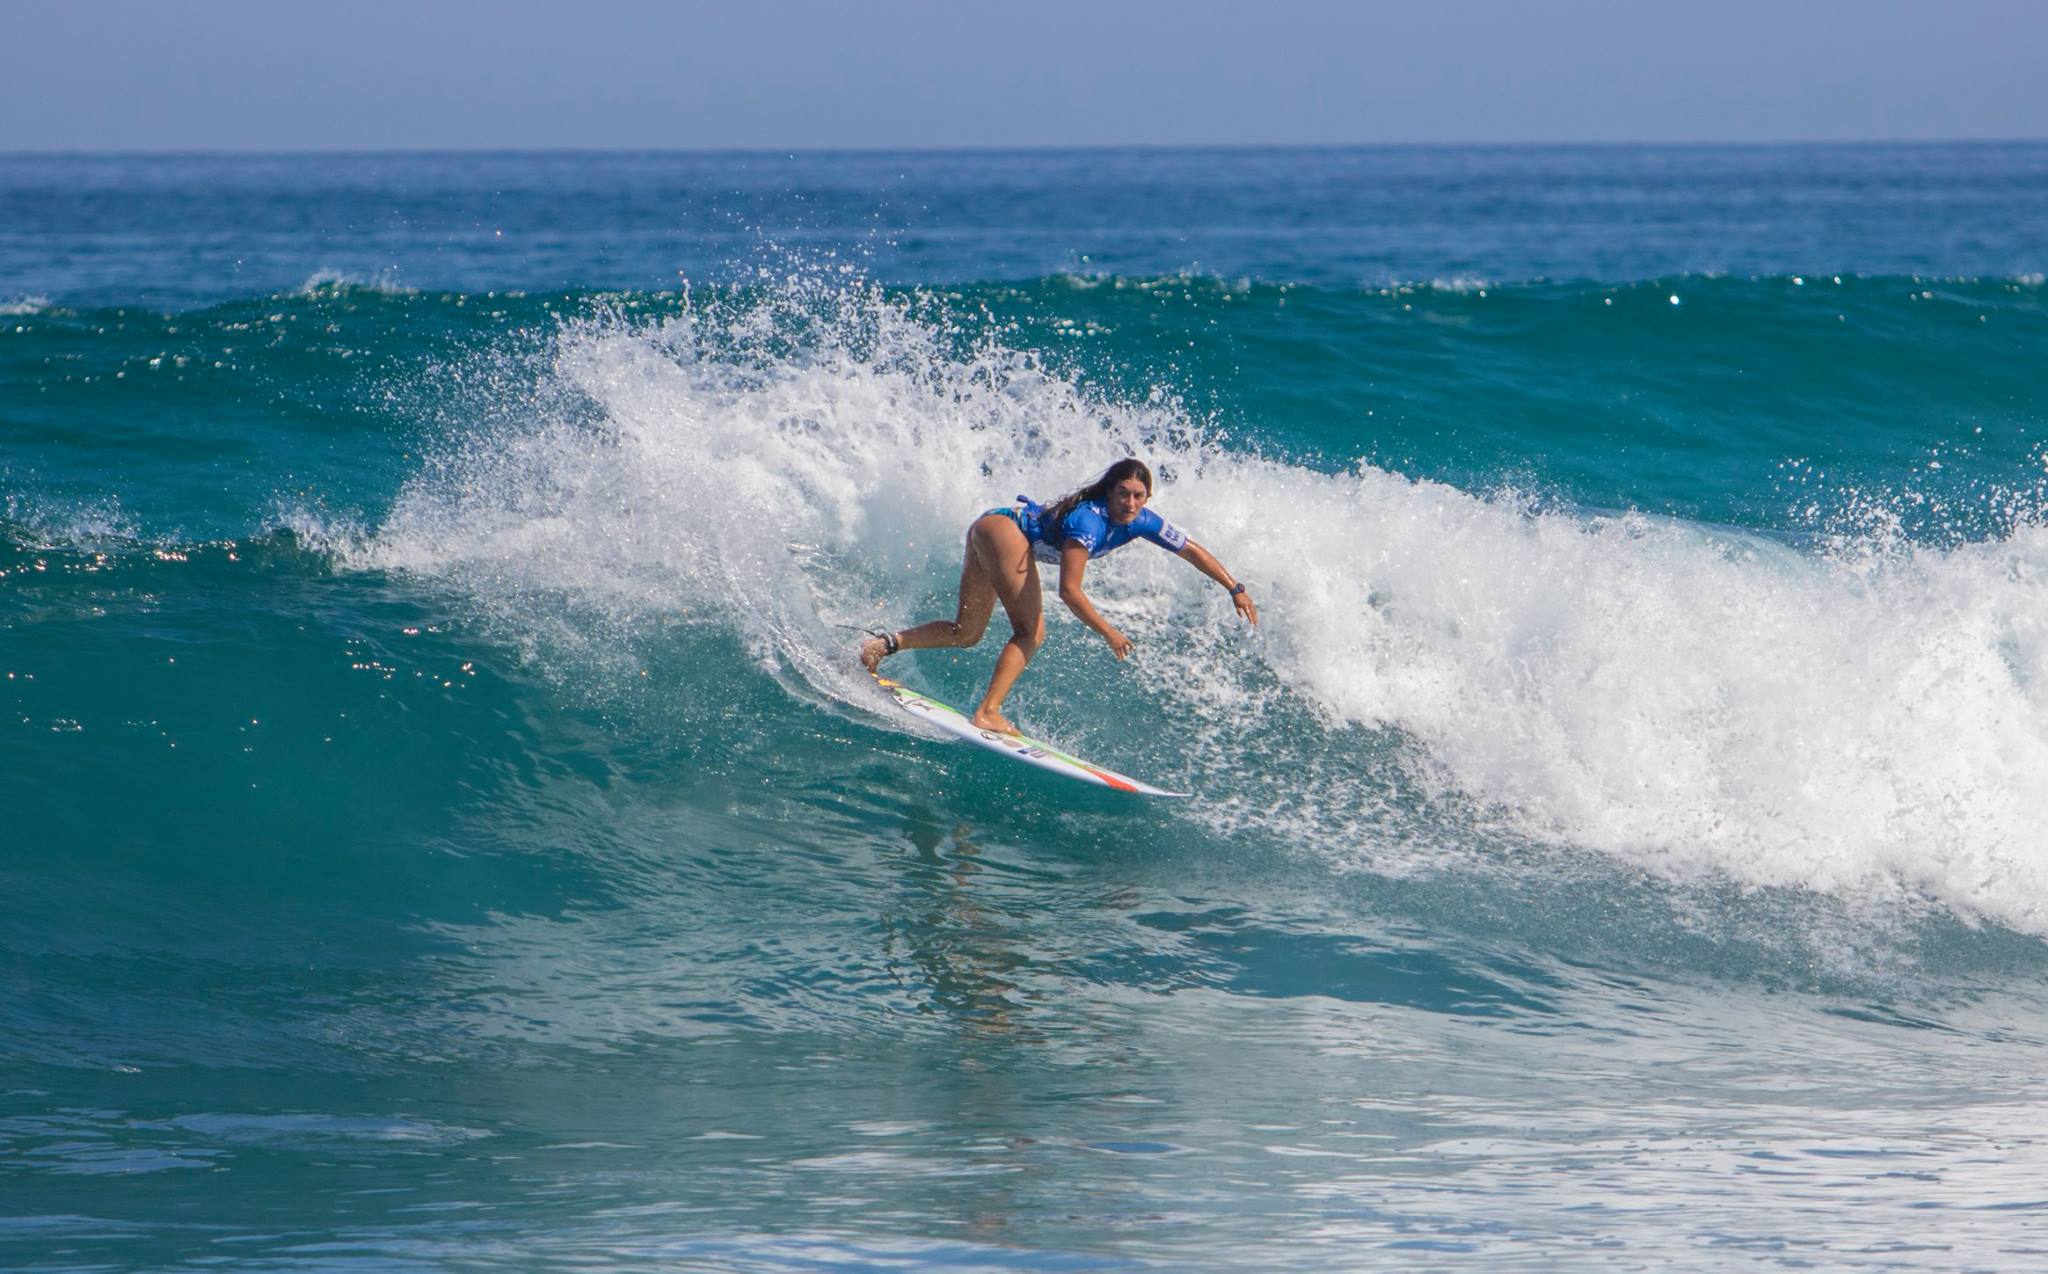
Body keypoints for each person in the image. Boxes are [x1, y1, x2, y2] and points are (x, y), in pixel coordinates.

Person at [860, 458, 1258, 734]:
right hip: (1004, 531)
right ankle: (988, 712)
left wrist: (1234, 587)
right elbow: (1070, 591)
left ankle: (883, 645)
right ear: (1109, 492)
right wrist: (1109, 631)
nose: (1130, 503)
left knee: (967, 632)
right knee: (1030, 633)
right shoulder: (1089, 521)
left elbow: (1191, 548)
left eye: (1139, 495)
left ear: (1148, 498)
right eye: (1123, 494)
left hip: (992, 526)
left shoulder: (1143, 521)